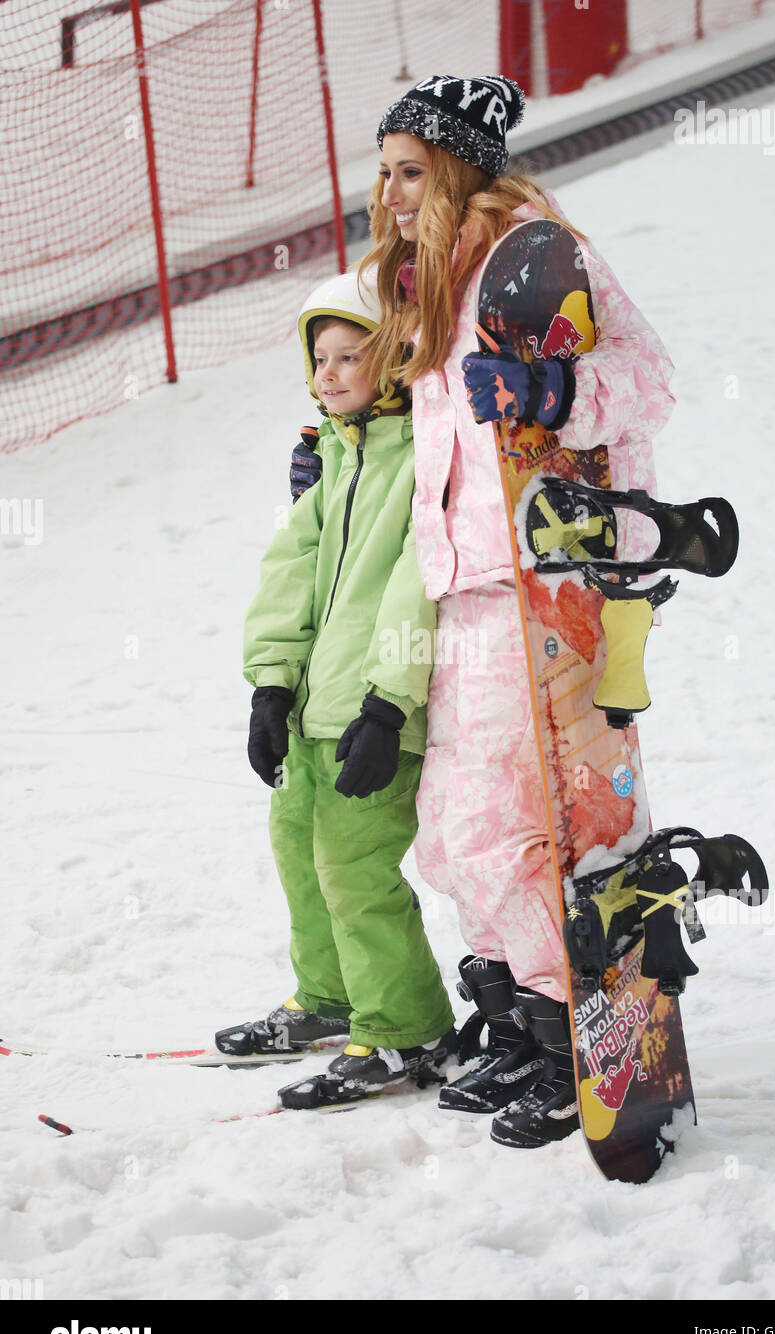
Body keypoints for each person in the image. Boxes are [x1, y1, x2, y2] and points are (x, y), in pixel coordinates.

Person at [360, 75, 676, 1148]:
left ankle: (566, 1033)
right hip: (462, 583)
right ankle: (513, 1010)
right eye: (386, 170)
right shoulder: (434, 279)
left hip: (546, 585)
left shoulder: (539, 252)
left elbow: (648, 377)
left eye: (410, 169)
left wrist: (554, 397)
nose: (390, 190)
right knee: (454, 830)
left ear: (454, 164)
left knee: (527, 828)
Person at [215, 269, 456, 1107]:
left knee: (357, 872)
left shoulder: (420, 465)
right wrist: (270, 687)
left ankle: (407, 1028)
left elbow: (416, 587)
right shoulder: (333, 465)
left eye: (351, 356)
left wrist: (389, 706)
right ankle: (329, 1000)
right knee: (300, 855)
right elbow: (288, 573)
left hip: (374, 715)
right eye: (320, 360)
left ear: (394, 360)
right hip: (315, 710)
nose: (330, 374)